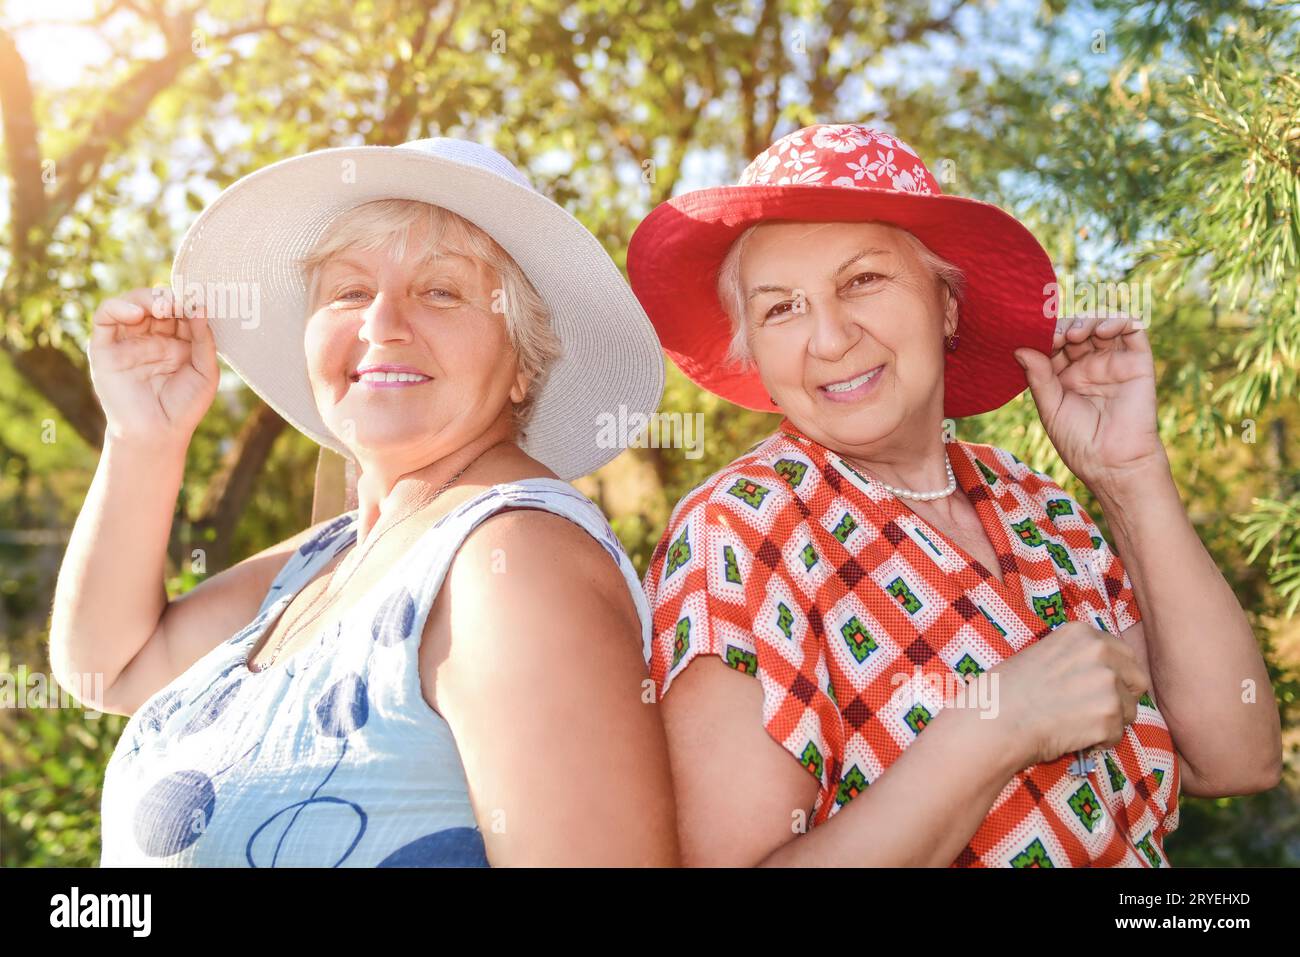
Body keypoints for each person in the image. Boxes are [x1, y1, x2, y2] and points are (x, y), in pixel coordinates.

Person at [625, 122, 1281, 867]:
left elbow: (1235, 758)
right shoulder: (741, 529)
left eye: (863, 280)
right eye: (781, 308)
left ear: (945, 305)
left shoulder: (1038, 506)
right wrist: (996, 729)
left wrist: (1129, 476)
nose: (830, 337)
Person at [49, 137, 678, 867]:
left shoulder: (512, 561)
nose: (381, 324)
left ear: (523, 364)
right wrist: (143, 437)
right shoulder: (334, 552)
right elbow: (109, 666)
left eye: (440, 290)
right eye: (348, 291)